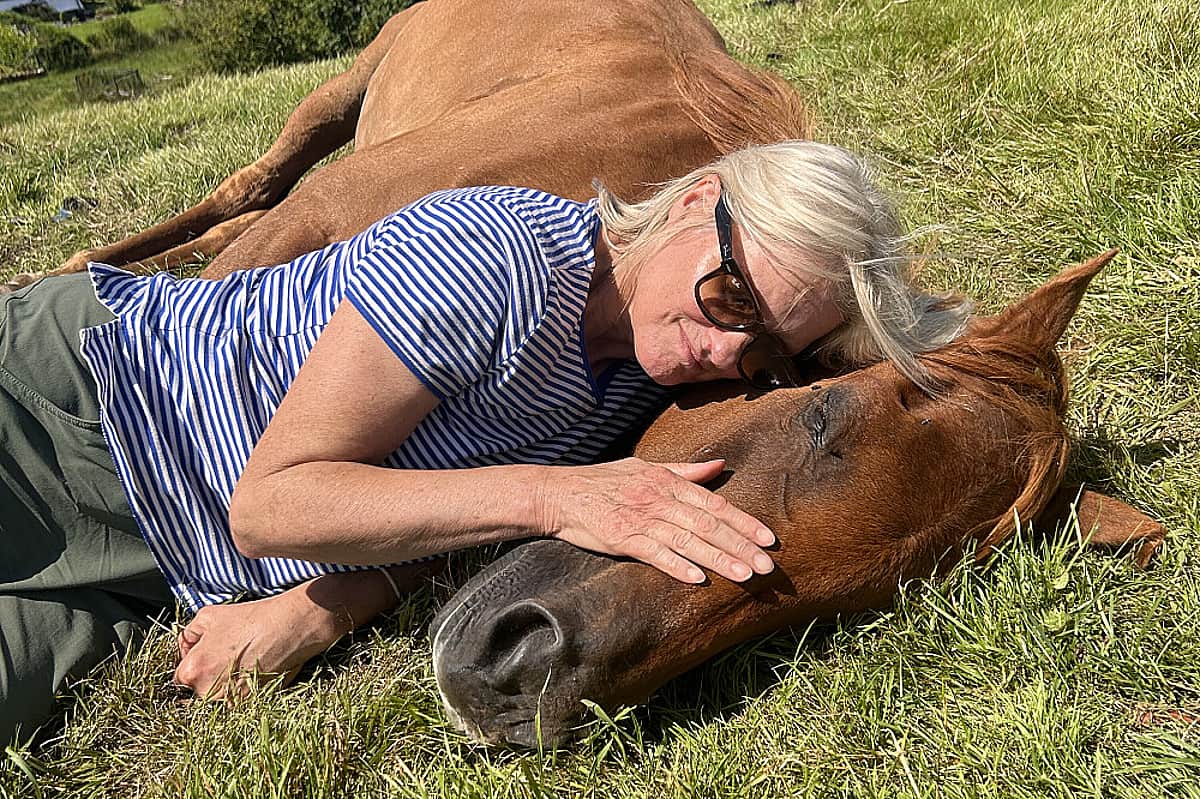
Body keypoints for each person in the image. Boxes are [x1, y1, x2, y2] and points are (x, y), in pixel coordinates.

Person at [0, 141, 968, 745]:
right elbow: (273, 505)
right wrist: (557, 495)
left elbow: (448, 510)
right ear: (687, 203)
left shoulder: (642, 379)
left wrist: (324, 606)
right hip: (78, 402)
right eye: (729, 295)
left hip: (159, 569)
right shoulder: (496, 257)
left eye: (761, 349)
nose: (719, 349)